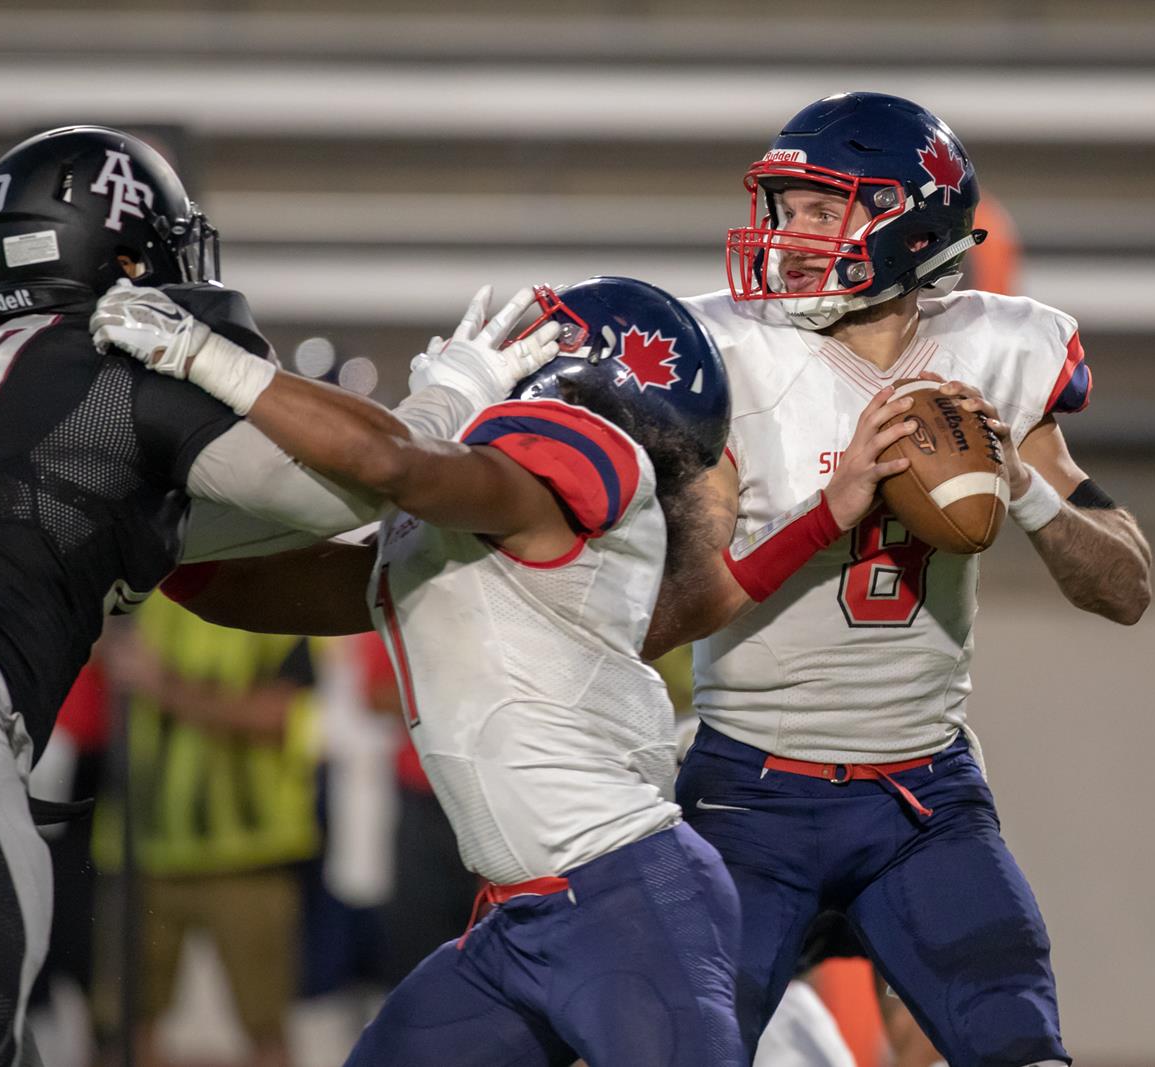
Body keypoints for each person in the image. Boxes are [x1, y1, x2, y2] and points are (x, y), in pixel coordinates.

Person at [88, 275, 747, 1067]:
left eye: (541, 338)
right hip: (524, 920)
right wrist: (144, 514)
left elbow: (388, 459)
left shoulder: (586, 475)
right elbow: (242, 591)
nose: (501, 355)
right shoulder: (462, 534)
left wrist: (208, 359)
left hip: (627, 902)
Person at [641, 92, 1154, 1067]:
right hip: (748, 792)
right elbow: (667, 615)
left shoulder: (996, 352)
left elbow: (1123, 585)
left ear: (907, 221)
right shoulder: (733, 358)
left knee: (1014, 1045)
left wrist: (1023, 489)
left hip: (920, 798)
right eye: (782, 207)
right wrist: (822, 514)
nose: (786, 235)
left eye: (817, 209)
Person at [0, 124, 380, 1067]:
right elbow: (352, 481)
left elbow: (211, 529)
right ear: (123, 256)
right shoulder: (112, 370)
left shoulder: (1, 376)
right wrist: (443, 424)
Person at [91, 598, 320, 1067]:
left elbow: (275, 716)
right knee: (125, 1030)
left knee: (264, 1027)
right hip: (140, 849)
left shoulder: (280, 603)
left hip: (247, 855)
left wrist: (165, 686)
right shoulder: (137, 598)